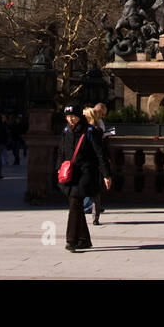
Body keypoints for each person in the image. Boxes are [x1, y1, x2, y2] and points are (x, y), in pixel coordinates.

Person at [56, 106, 111, 252]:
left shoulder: (90, 131)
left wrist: (106, 174)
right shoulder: (66, 131)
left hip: (85, 174)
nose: (70, 119)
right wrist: (58, 169)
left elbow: (100, 154)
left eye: (73, 116)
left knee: (74, 203)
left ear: (80, 116)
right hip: (69, 173)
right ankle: (84, 239)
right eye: (68, 117)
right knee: (77, 206)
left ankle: (71, 240)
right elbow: (61, 151)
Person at [83, 104, 111, 224]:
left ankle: (94, 214)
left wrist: (106, 173)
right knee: (90, 189)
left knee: (94, 190)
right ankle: (89, 209)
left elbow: (100, 152)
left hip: (93, 164)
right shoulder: (80, 130)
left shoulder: (95, 131)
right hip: (84, 165)